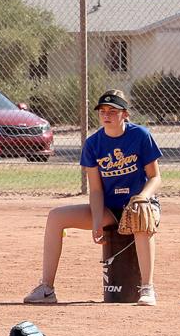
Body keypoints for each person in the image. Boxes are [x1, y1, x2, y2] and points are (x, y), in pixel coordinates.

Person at [24, 89, 162, 306]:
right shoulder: (93, 144)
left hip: (139, 204)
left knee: (140, 216)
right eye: (103, 111)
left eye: (113, 111)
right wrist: (97, 219)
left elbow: (155, 177)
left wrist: (143, 197)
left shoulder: (140, 136)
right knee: (56, 217)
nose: (107, 115)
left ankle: (147, 288)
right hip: (109, 209)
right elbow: (96, 190)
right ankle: (47, 289)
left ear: (125, 114)